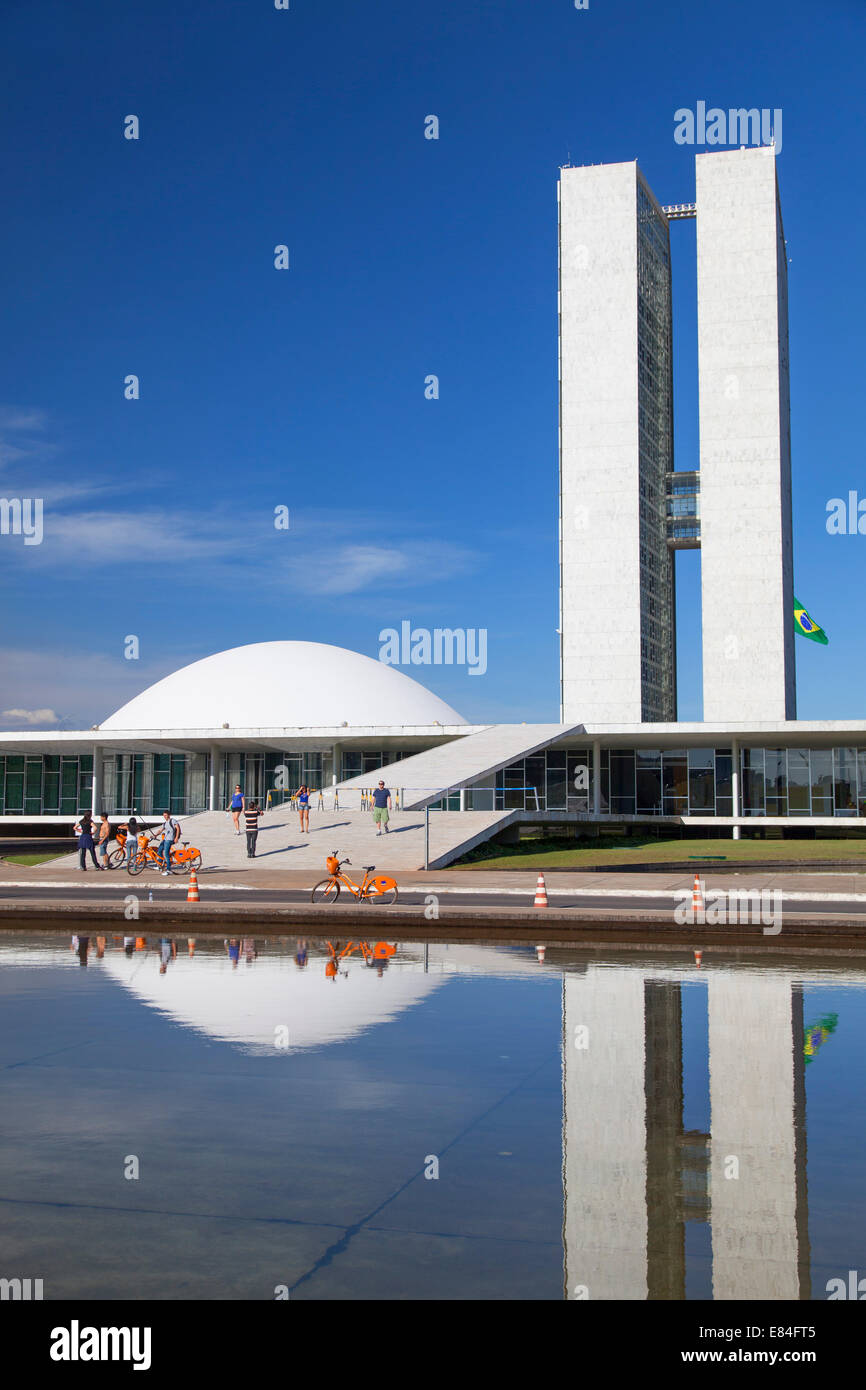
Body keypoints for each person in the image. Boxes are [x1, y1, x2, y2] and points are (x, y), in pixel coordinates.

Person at [158, 810, 181, 876]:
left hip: (170, 839)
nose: (164, 816)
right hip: (165, 839)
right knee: (159, 851)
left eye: (165, 815)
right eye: (163, 815)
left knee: (166, 854)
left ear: (169, 815)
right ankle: (160, 865)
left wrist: (176, 837)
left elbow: (178, 828)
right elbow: (160, 830)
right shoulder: (165, 823)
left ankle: (169, 870)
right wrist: (155, 835)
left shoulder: (172, 820)